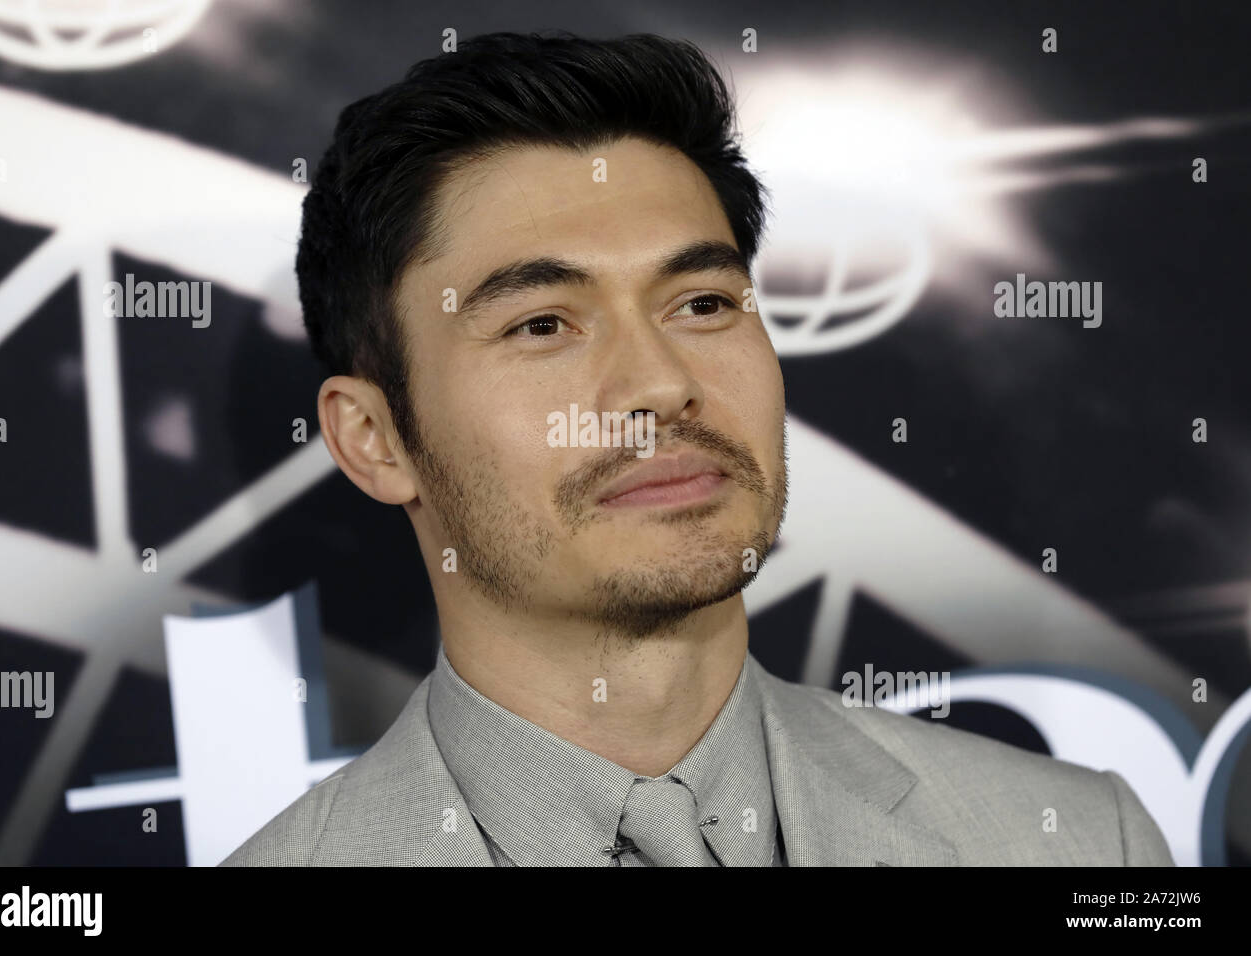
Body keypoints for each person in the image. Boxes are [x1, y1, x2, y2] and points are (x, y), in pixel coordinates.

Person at [222, 31, 1172, 866]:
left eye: (703, 304)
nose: (657, 385)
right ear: (374, 438)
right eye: (544, 324)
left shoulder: (1082, 844)